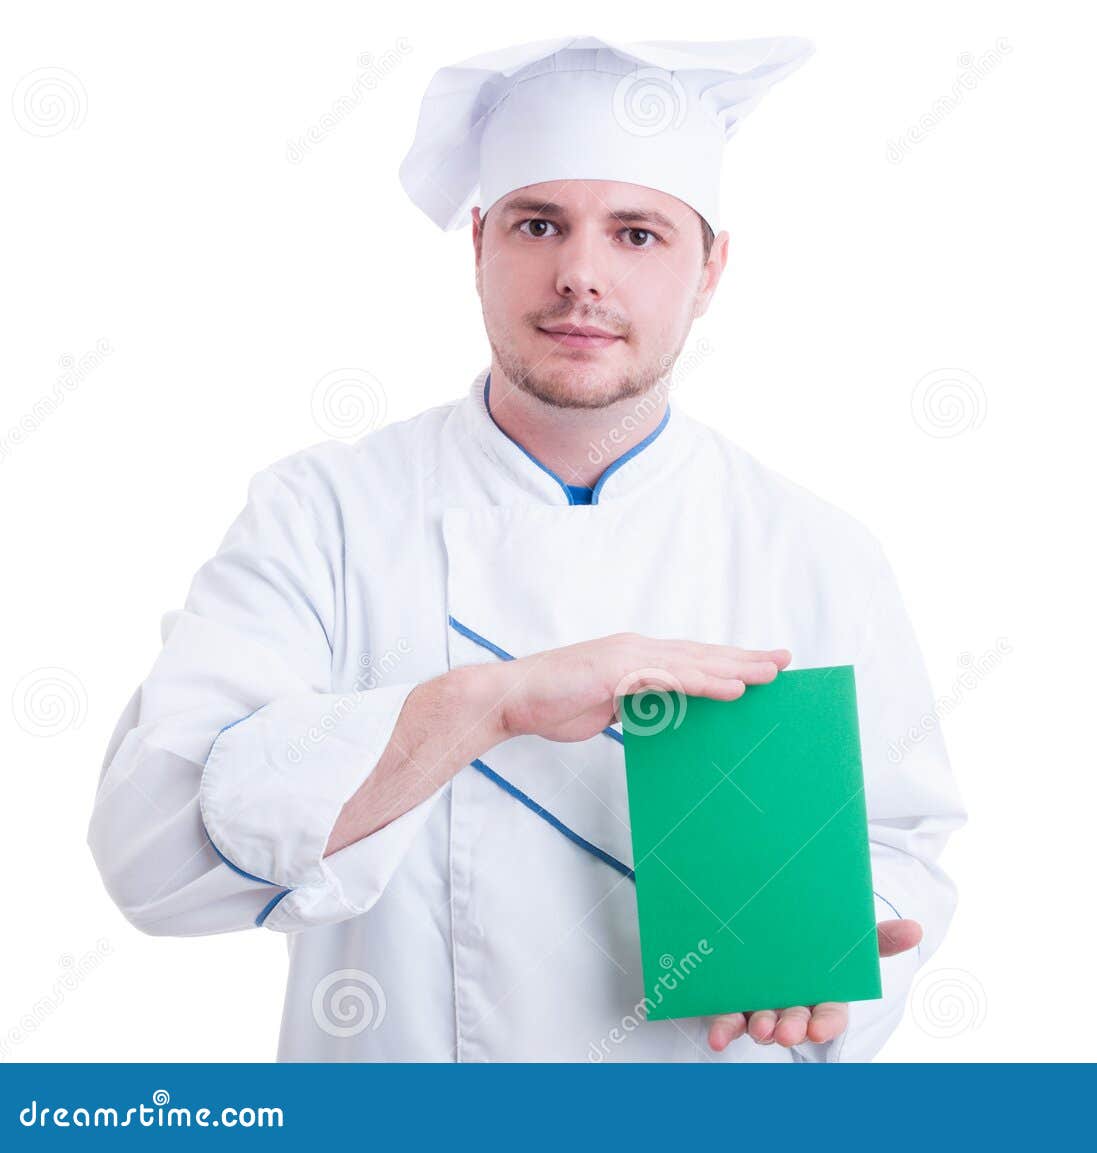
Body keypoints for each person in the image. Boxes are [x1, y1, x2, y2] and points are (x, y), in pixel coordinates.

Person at [88, 34, 964, 1061]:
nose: (579, 275)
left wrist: (833, 961)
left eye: (637, 234)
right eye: (538, 224)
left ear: (711, 267)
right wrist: (486, 704)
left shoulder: (811, 549)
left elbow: (898, 846)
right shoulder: (324, 514)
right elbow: (152, 851)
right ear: (478, 244)